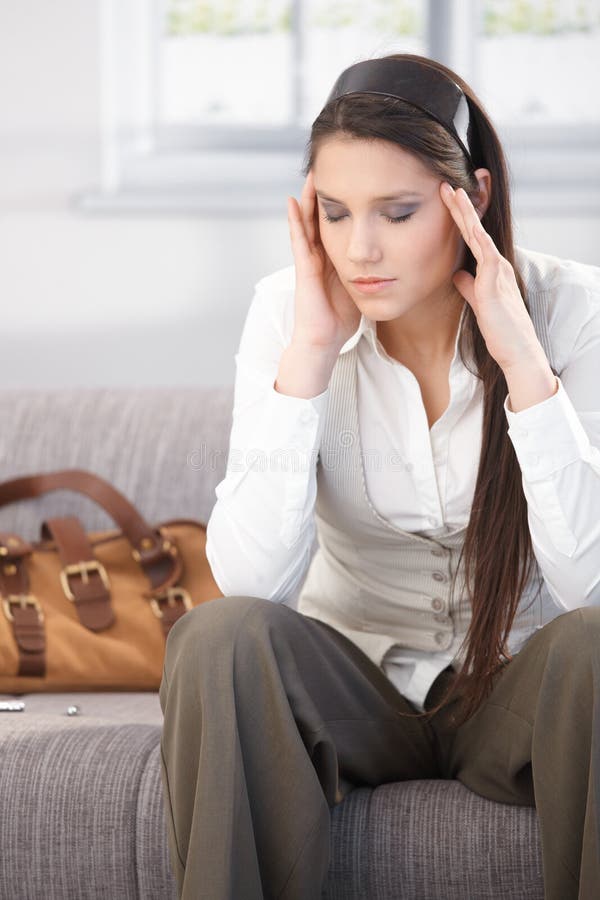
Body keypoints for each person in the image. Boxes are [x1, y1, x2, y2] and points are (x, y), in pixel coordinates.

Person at [158, 53, 600, 900]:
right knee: (217, 637)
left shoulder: (572, 309)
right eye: (335, 212)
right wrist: (309, 356)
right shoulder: (288, 312)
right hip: (355, 691)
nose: (360, 249)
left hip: (520, 687)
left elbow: (592, 586)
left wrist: (525, 368)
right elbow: (250, 583)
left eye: (397, 213)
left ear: (473, 196)